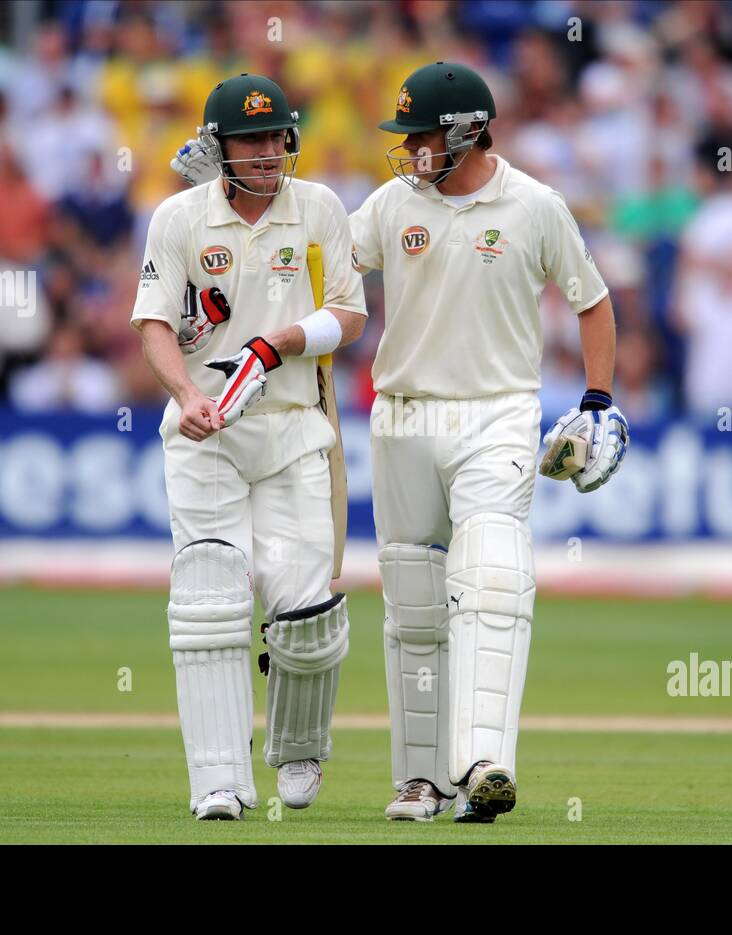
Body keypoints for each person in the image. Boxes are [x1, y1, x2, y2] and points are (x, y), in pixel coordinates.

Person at [352, 62, 628, 822]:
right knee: (413, 599)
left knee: (492, 578)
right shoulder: (391, 203)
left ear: (467, 131)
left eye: (420, 135)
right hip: (403, 412)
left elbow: (593, 302)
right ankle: (418, 780)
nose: (409, 149)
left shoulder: (535, 204)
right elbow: (331, 277)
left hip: (498, 413)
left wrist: (597, 402)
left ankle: (482, 763)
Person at [134, 74, 366, 820]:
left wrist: (281, 343)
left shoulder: (320, 208)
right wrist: (185, 396)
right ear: (217, 147)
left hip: (295, 424)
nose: (268, 153)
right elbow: (155, 324)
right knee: (209, 599)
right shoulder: (177, 218)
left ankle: (298, 747)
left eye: (277, 137)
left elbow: (351, 316)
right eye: (251, 141)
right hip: (206, 435)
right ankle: (218, 781)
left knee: (306, 612)